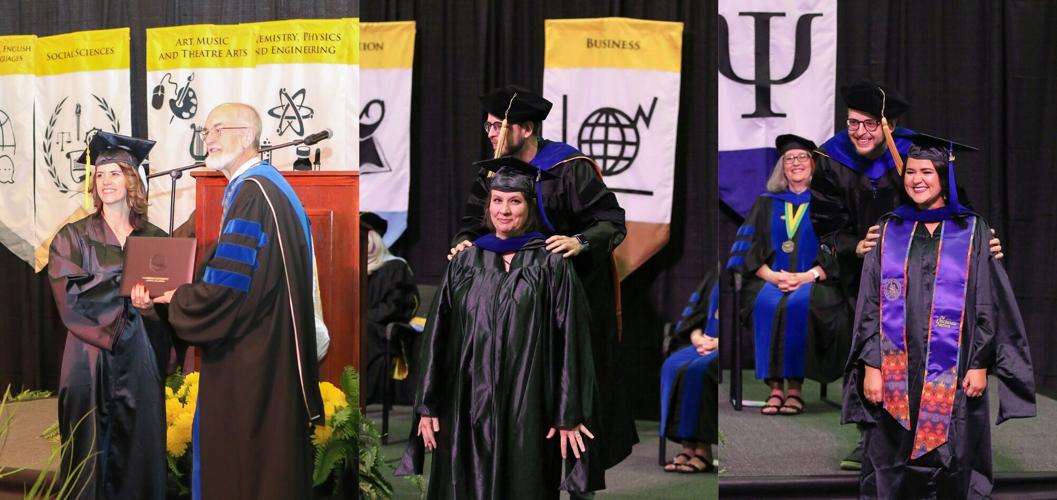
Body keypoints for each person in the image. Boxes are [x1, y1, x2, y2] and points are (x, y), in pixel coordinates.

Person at [811, 79, 1003, 467]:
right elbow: (826, 231)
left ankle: (934, 431)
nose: (860, 133)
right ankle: (872, 437)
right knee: (873, 350)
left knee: (930, 347)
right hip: (867, 273)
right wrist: (854, 247)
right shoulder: (832, 162)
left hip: (927, 268)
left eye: (869, 124)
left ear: (889, 126)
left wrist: (983, 239)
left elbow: (955, 204)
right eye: (852, 124)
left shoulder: (913, 155)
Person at [450, 85, 634, 485]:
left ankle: (580, 483)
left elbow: (611, 221)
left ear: (526, 128)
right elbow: (471, 224)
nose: (490, 133)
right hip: (521, 301)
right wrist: (461, 243)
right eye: (488, 125)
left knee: (574, 393)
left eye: (498, 126)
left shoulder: (569, 167)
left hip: (575, 294)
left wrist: (579, 241)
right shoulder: (494, 171)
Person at [841, 133, 1035, 499]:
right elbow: (869, 304)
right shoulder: (888, 229)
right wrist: (872, 366)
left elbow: (985, 301)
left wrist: (979, 362)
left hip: (956, 368)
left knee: (956, 454)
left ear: (943, 177)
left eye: (927, 171)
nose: (916, 179)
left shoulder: (971, 229)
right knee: (890, 451)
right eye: (911, 171)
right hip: (896, 365)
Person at [146, 103, 324, 500]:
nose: (207, 138)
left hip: (250, 358)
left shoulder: (253, 194)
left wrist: (182, 298)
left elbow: (228, 291)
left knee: (246, 466)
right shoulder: (269, 188)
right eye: (205, 130)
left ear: (247, 136)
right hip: (269, 346)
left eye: (218, 129)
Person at [396, 158, 599, 499]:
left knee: (525, 481)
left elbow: (571, 341)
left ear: (529, 206)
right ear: (488, 206)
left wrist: (568, 412)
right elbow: (437, 339)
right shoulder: (465, 261)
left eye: (515, 201)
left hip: (529, 403)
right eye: (497, 200)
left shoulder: (551, 264)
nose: (504, 210)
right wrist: (427, 405)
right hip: (467, 404)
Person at [48, 132, 170, 499]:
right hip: (89, 358)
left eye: (116, 174)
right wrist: (126, 285)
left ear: (133, 180)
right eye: (100, 175)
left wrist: (150, 308)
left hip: (141, 355)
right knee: (88, 449)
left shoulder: (157, 238)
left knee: (141, 443)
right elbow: (71, 296)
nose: (106, 183)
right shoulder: (73, 238)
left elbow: (172, 300)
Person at [728, 134, 850, 416]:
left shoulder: (827, 203)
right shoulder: (765, 203)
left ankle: (794, 389)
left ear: (813, 164)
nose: (796, 163)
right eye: (789, 159)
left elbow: (839, 247)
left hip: (814, 280)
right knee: (767, 303)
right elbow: (745, 247)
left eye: (802, 157)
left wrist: (807, 276)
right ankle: (775, 389)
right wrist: (770, 276)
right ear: (781, 168)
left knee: (799, 305)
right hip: (770, 278)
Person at [660, 265, 720, 474]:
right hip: (703, 342)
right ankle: (687, 447)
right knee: (672, 366)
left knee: (698, 371)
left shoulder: (744, 274)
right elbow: (696, 313)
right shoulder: (715, 273)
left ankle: (703, 450)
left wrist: (719, 342)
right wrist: (697, 338)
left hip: (725, 348)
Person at [361, 211, 419, 405]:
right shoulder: (352, 270)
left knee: (364, 330)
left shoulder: (395, 267)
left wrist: (361, 318)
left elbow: (397, 306)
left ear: (374, 240)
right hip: (365, 324)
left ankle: (365, 397)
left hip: (384, 327)